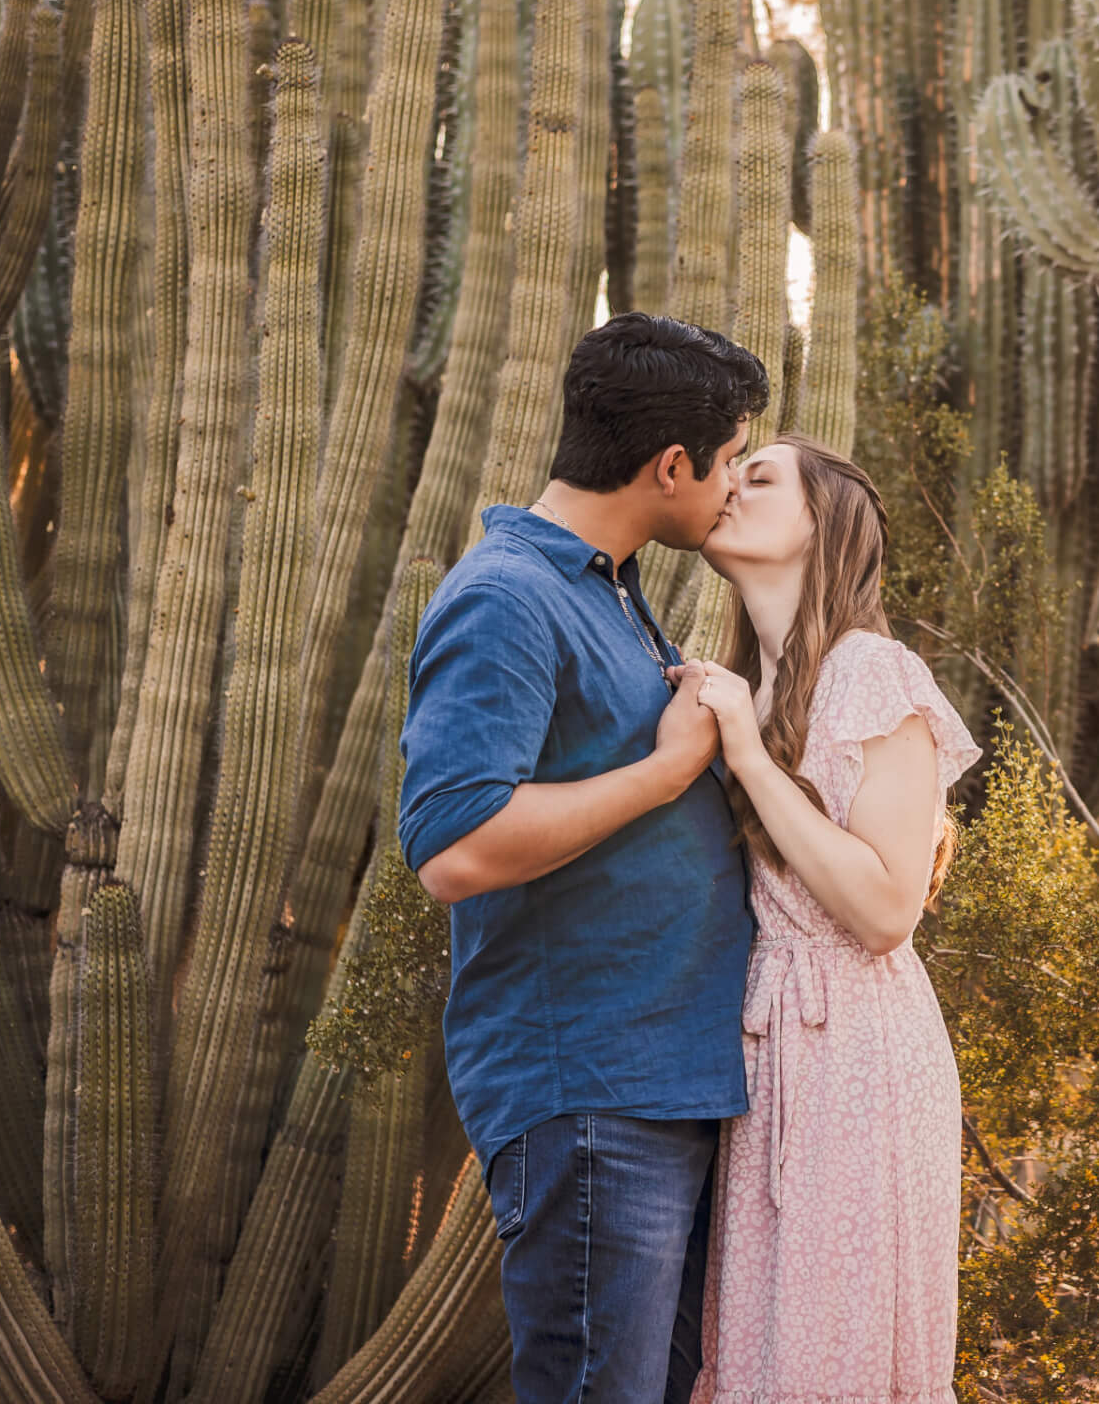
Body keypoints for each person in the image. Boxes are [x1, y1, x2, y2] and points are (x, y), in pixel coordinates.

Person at [399, 311, 768, 1404]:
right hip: (596, 1100)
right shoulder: (506, 596)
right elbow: (454, 846)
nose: (736, 484)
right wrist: (661, 775)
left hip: (664, 1086)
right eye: (733, 461)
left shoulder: (602, 585)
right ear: (669, 465)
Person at [675, 433, 981, 1404]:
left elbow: (890, 908)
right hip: (775, 1056)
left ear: (824, 524)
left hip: (858, 1050)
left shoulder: (872, 672)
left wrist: (753, 762)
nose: (732, 487)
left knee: (833, 1354)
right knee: (774, 1350)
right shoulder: (745, 685)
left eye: (760, 479)